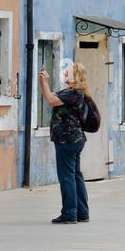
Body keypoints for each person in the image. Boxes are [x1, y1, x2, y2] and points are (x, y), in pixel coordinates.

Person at [39, 62, 92, 224]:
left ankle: (69, 213)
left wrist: (45, 83)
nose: (65, 73)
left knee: (67, 175)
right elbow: (50, 97)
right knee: (75, 174)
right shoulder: (71, 92)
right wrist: (43, 84)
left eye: (68, 72)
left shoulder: (73, 93)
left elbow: (50, 100)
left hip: (67, 139)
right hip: (74, 138)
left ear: (76, 75)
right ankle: (82, 213)